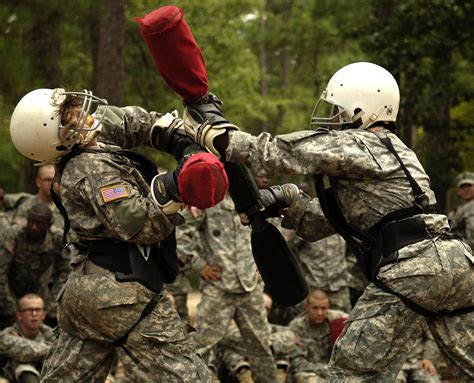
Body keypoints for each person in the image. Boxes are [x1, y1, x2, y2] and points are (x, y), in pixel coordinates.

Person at [182, 62, 474, 381]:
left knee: (349, 370)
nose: (333, 119)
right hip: (456, 265)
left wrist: (216, 133)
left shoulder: (359, 142)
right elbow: (324, 223)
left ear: (361, 108)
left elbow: (275, 153)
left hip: (412, 271)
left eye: (338, 110)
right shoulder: (399, 151)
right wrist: (286, 203)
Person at [9, 88, 212, 381]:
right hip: (121, 296)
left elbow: (129, 125)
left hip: (91, 292)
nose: (82, 114)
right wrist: (176, 184)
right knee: (190, 378)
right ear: (58, 138)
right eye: (70, 116)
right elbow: (141, 225)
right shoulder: (91, 168)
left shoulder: (91, 149)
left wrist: (170, 134)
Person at [183, 193, 279, 382]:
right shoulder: (205, 202)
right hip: (219, 289)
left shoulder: (253, 200)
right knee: (200, 345)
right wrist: (199, 265)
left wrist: (263, 265)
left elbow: (271, 236)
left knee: (261, 349)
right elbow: (181, 236)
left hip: (249, 289)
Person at [4, 204, 70, 326]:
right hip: (10, 289)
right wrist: (9, 308)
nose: (33, 227)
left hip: (40, 291)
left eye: (39, 224)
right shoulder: (15, 234)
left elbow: (66, 271)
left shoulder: (58, 238)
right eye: (31, 222)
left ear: (49, 225)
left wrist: (50, 306)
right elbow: (2, 270)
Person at [216, 293, 296, 383]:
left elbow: (292, 338)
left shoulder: (271, 328)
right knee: (231, 352)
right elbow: (229, 337)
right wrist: (264, 344)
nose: (262, 311)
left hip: (266, 371)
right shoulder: (233, 325)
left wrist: (271, 345)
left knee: (282, 352)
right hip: (235, 373)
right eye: (259, 305)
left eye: (266, 308)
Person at [288, 289, 348, 383]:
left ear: (328, 307)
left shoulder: (337, 319)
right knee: (302, 377)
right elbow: (297, 363)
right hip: (311, 372)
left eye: (323, 308)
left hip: (336, 371)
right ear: (307, 307)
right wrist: (326, 369)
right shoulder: (296, 327)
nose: (319, 313)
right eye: (315, 308)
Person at [289, 234, 351, 313]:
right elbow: (290, 247)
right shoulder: (309, 227)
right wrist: (299, 269)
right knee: (308, 319)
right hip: (312, 285)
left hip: (338, 287)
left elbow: (354, 250)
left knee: (342, 321)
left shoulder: (341, 227)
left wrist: (345, 267)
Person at [0, 294, 54, 383]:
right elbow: (25, 349)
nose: (34, 314)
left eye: (38, 310)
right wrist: (51, 349)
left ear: (43, 314)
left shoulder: (49, 334)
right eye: (29, 310)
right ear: (19, 315)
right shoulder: (5, 336)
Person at [449, 171, 474, 249]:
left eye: (469, 186)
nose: (466, 189)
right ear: (458, 191)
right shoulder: (454, 213)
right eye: (462, 187)